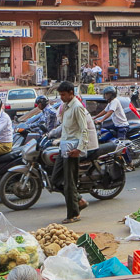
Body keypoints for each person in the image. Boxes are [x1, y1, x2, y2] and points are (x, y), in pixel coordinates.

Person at [57, 81, 90, 223]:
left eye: (63, 95)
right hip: (63, 146)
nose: (61, 97)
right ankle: (79, 200)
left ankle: (73, 214)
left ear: (71, 93)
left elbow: (84, 130)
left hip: (72, 149)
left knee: (69, 182)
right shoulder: (65, 106)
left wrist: (79, 149)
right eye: (60, 95)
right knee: (55, 180)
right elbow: (64, 127)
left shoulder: (77, 107)